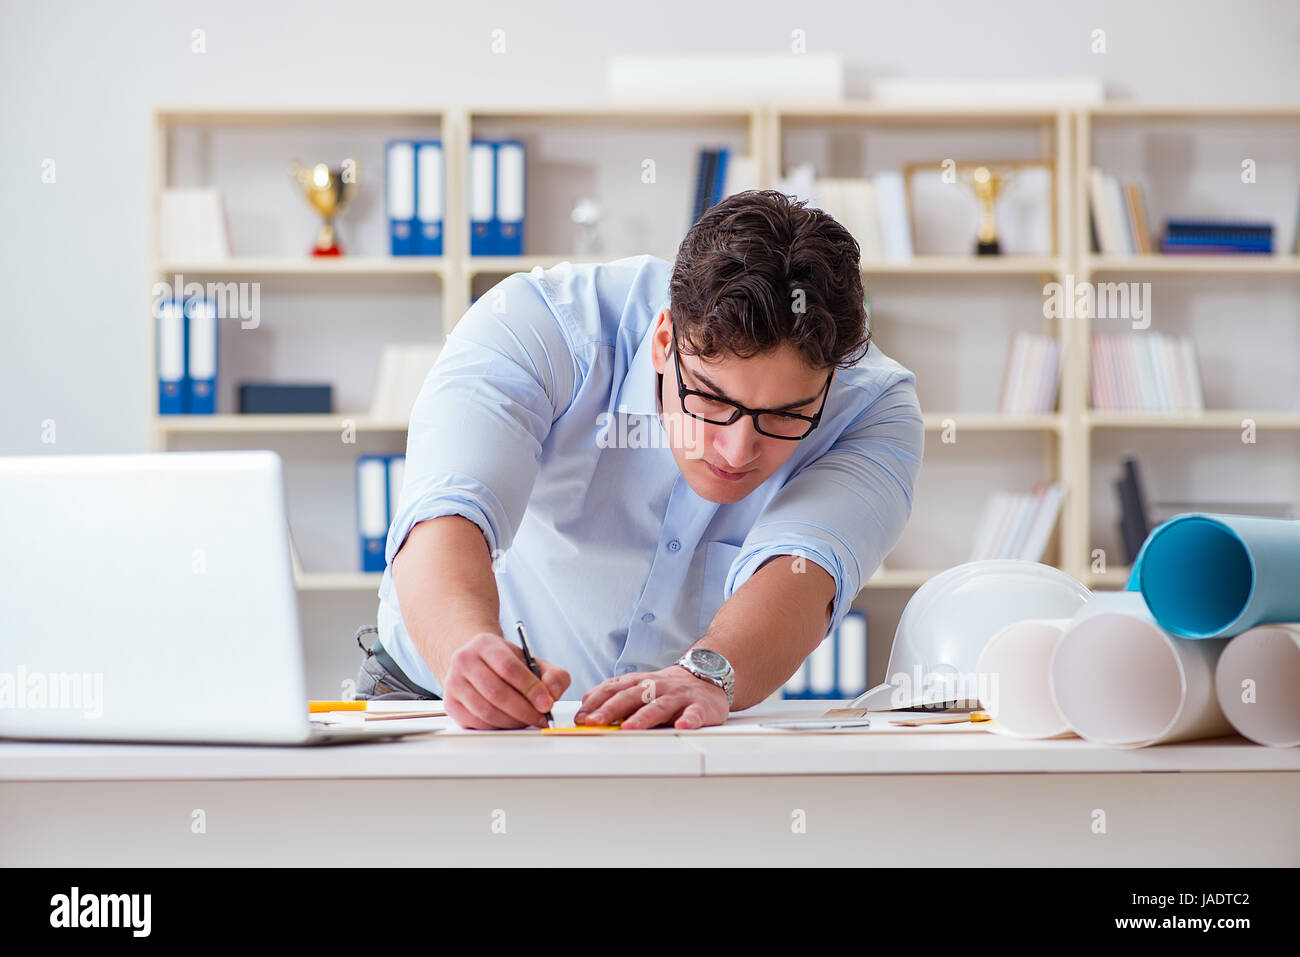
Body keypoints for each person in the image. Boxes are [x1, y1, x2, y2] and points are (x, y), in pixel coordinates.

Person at [353, 189, 924, 729]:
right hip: (431, 697)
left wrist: (707, 675)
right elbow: (448, 510)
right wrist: (466, 653)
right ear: (664, 339)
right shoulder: (534, 325)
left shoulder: (873, 408)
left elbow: (803, 571)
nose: (736, 449)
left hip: (686, 717)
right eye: (711, 398)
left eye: (785, 415)